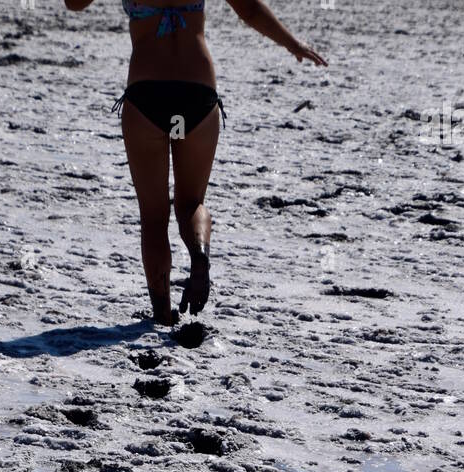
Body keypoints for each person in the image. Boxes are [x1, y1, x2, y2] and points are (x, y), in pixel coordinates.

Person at [64, 0, 326, 324]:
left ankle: (162, 312)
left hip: (149, 96)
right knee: (191, 201)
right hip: (195, 96)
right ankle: (199, 253)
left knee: (154, 214)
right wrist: (293, 44)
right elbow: (250, 10)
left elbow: (73, 4)